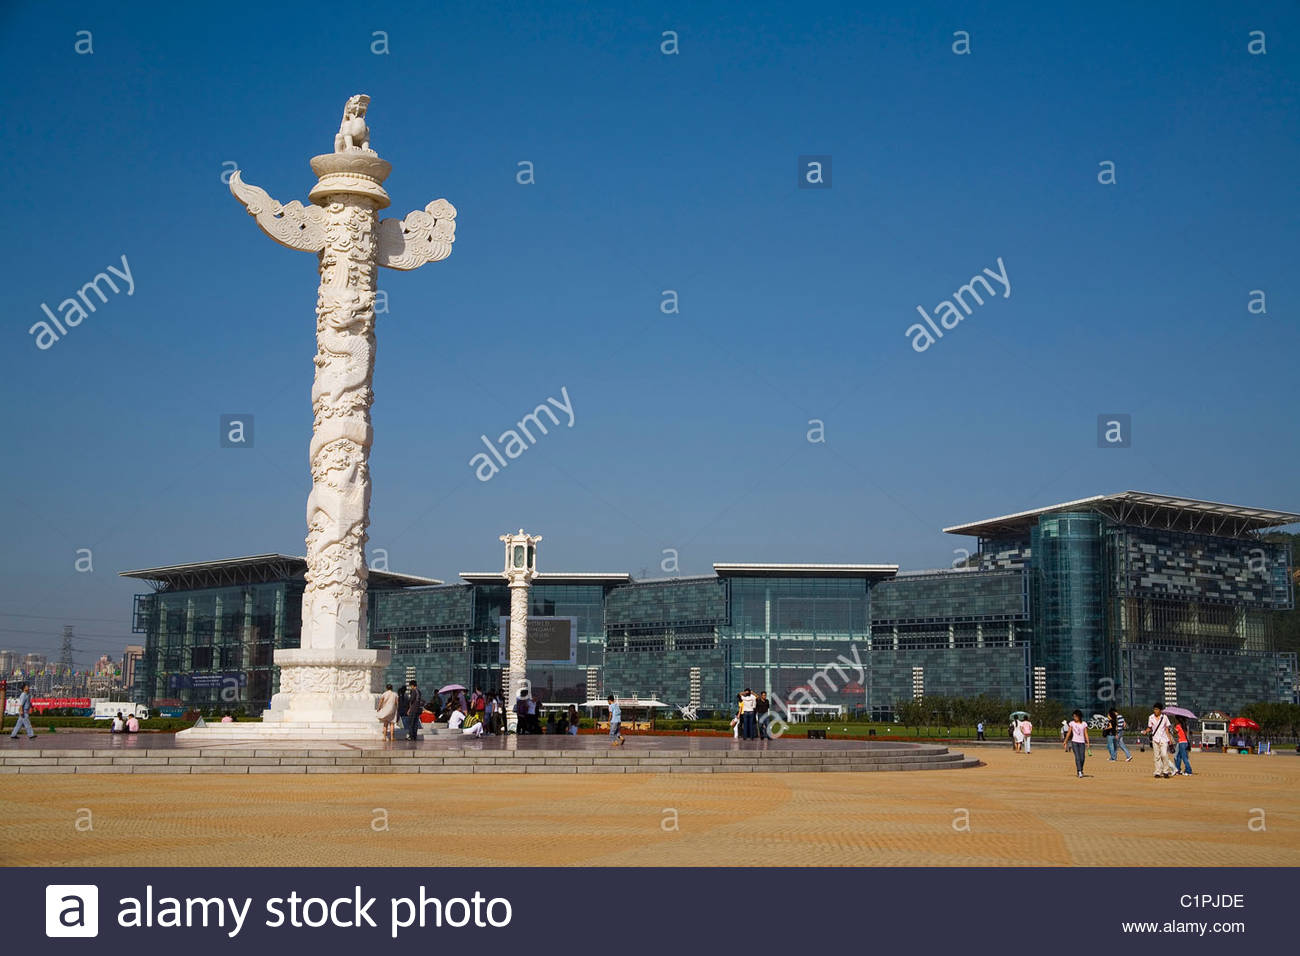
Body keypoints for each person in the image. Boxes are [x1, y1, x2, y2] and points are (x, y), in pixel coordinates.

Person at [1144, 702, 1175, 778]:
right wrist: (1145, 731)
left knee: (1164, 754)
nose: (1155, 711)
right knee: (1156, 756)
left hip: (1164, 739)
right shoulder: (1151, 717)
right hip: (1155, 739)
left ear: (1160, 710)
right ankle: (1158, 772)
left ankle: (1166, 771)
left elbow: (1167, 730)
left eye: (1157, 709)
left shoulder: (1165, 717)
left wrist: (1170, 740)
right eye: (1154, 709)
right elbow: (1149, 727)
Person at [1064, 709, 1089, 777]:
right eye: (1073, 716)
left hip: (1082, 742)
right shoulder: (1072, 723)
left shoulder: (1084, 724)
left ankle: (1081, 768)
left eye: (1075, 716)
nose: (1074, 718)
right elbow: (1069, 732)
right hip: (1074, 742)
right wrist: (1065, 741)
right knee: (1077, 757)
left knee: (1082, 758)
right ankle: (1079, 771)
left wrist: (1088, 742)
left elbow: (1085, 733)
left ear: (1079, 716)